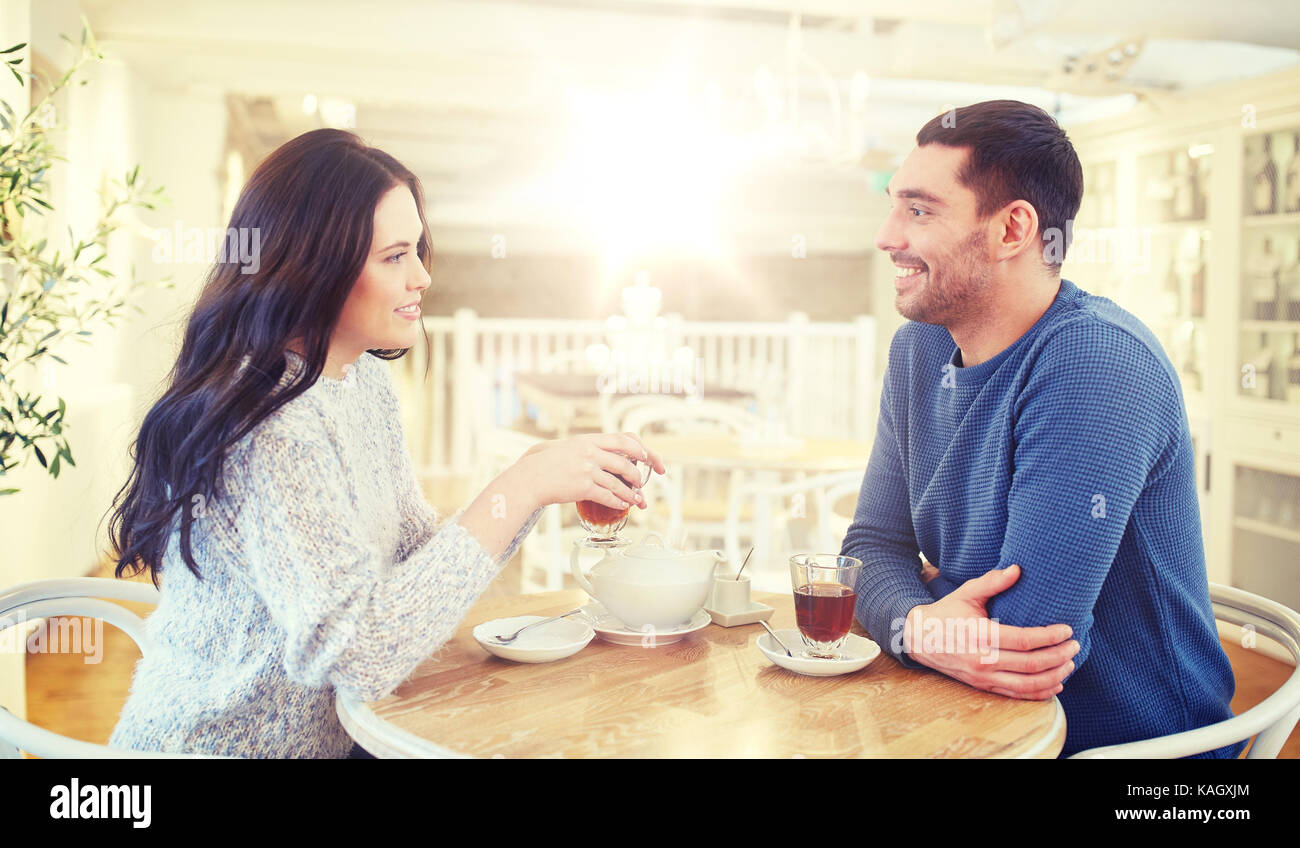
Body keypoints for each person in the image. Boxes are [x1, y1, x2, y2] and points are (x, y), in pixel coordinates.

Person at [104, 128, 663, 758]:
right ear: (314, 265)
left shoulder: (358, 380)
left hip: (337, 739)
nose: (423, 276)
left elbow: (412, 560)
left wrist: (533, 478)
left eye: (418, 249)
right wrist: (519, 487)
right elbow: (362, 651)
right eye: (395, 256)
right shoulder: (270, 429)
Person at [842, 100, 1243, 758]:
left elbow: (1028, 639)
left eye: (918, 210)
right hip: (966, 723)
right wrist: (919, 624)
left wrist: (908, 601)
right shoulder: (918, 350)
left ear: (1011, 230)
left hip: (1133, 758)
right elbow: (867, 550)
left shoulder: (1098, 365)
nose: (888, 236)